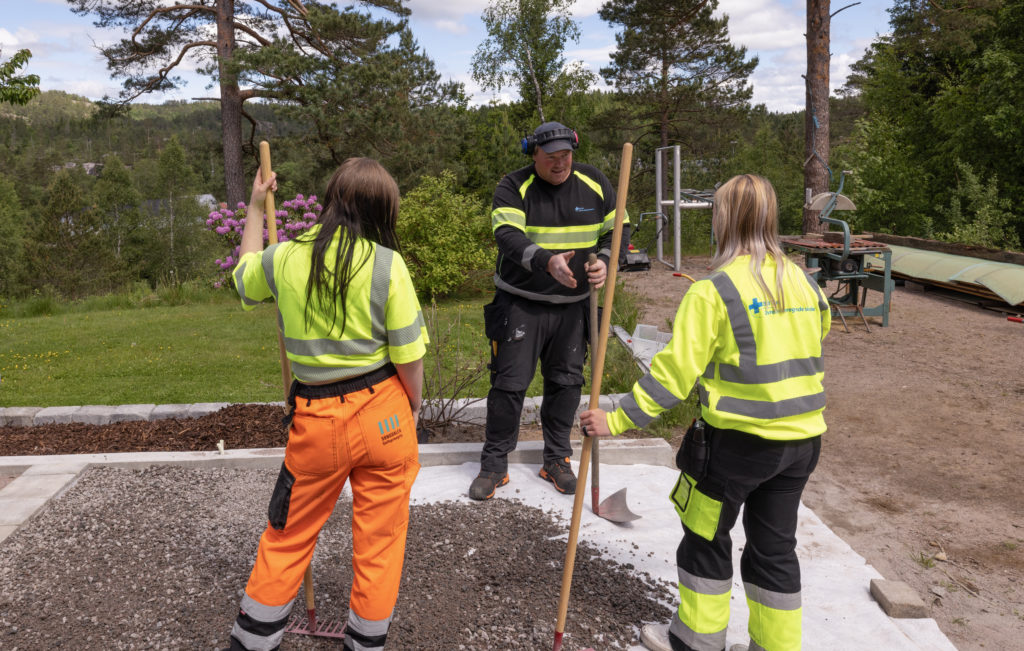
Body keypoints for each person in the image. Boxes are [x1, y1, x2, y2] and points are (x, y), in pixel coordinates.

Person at [580, 174, 830, 651]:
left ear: (722, 219)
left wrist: (615, 420)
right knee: (775, 551)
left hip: (737, 446)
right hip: (802, 444)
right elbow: (814, 341)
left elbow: (672, 378)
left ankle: (695, 642)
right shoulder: (804, 282)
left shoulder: (714, 292)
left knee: (705, 538)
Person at [225, 158, 427, 651]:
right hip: (384, 415)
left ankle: (252, 642)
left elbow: (243, 279)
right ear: (381, 210)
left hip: (316, 420)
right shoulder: (387, 264)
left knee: (288, 533)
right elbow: (409, 355)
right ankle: (366, 644)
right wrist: (413, 408)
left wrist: (255, 207)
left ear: (332, 198)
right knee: (380, 542)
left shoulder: (284, 257)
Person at [468, 121, 630, 501]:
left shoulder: (595, 183)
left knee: (566, 383)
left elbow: (618, 231)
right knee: (508, 385)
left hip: (574, 308)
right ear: (534, 154)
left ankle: (557, 460)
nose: (560, 164)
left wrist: (607, 261)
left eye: (566, 156)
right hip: (520, 304)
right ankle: (494, 464)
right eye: (551, 157)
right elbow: (507, 237)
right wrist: (546, 261)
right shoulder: (513, 186)